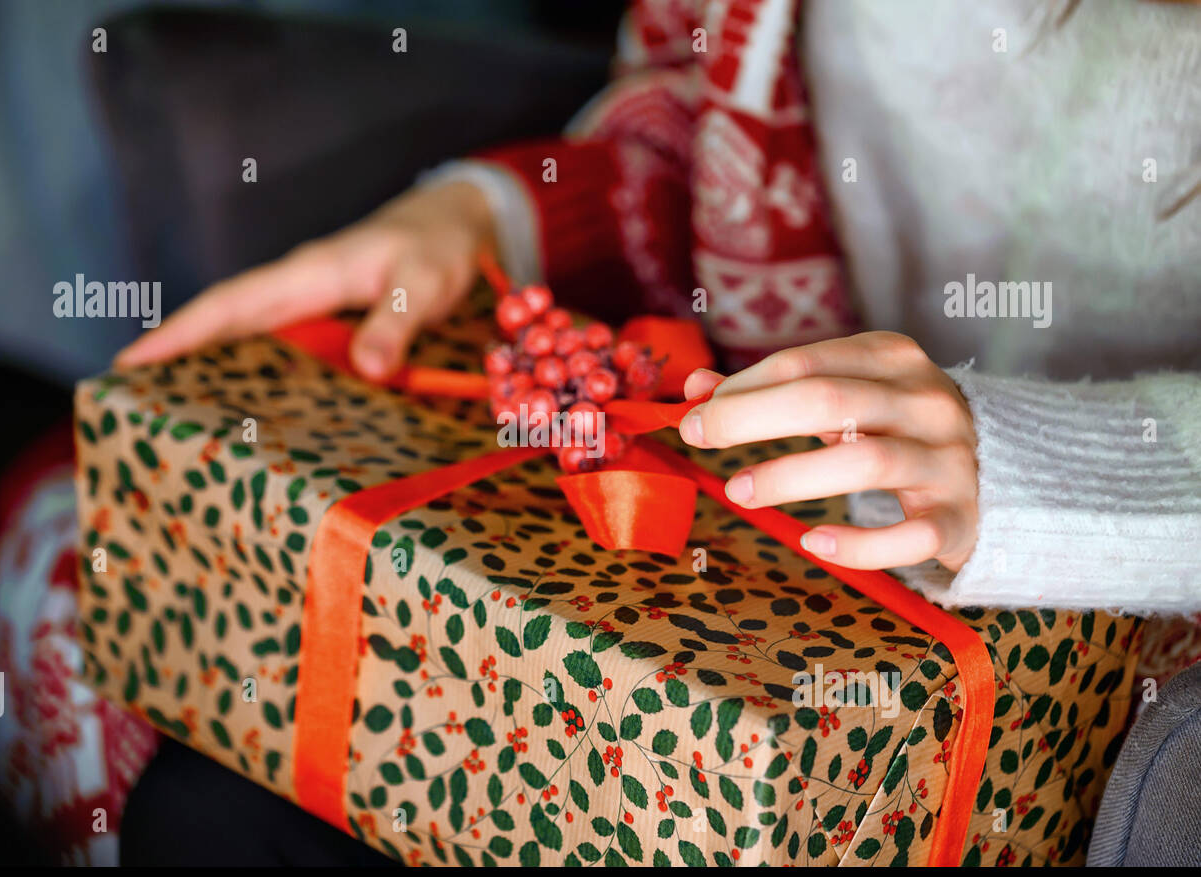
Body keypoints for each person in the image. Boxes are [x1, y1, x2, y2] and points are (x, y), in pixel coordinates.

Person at [116, 0, 1201, 615]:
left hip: (1088, 663)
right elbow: (700, 114)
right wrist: (486, 218)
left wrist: (1042, 479)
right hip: (748, 564)